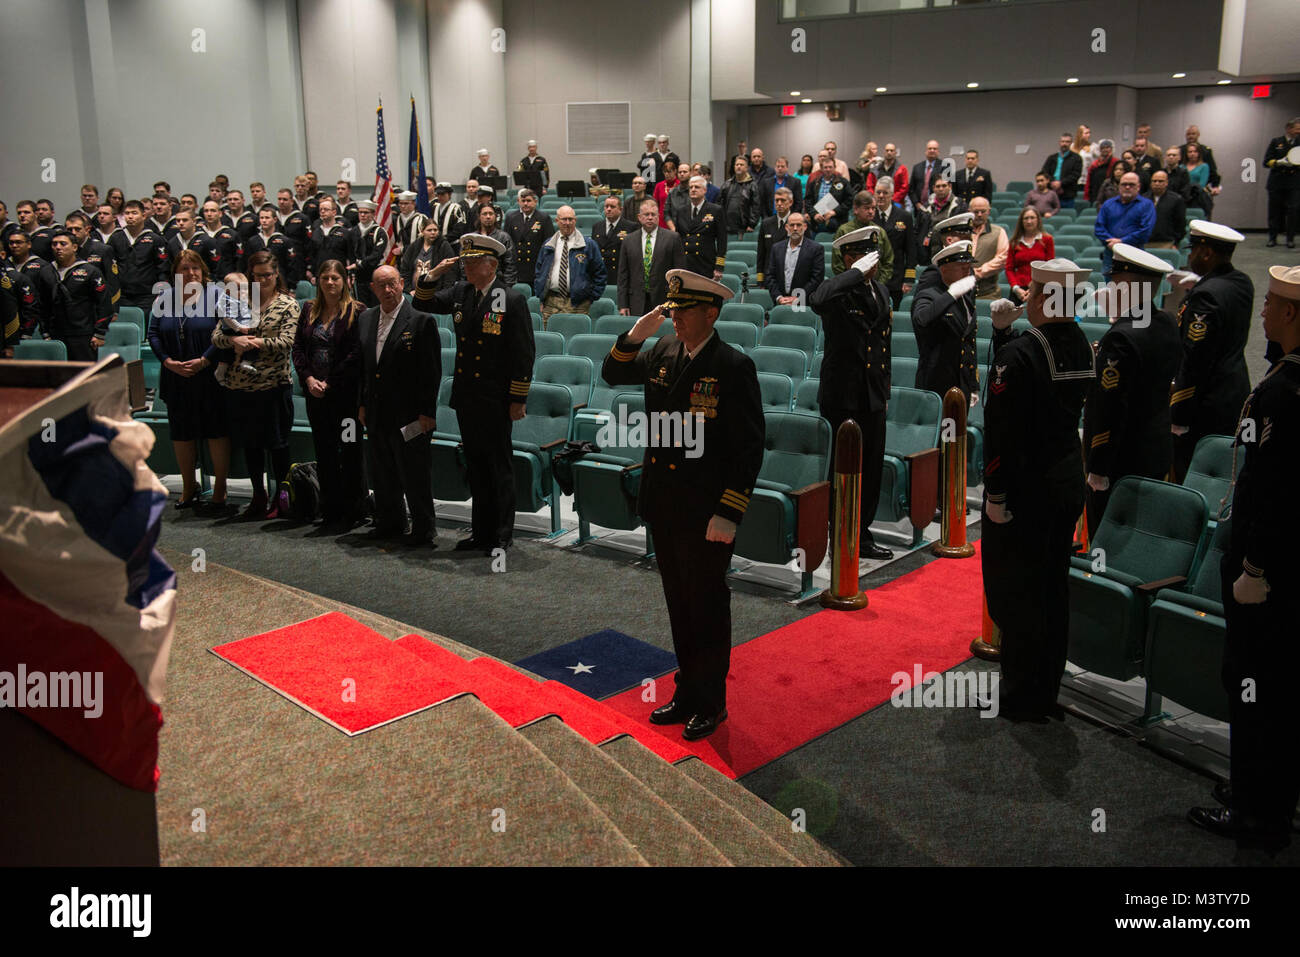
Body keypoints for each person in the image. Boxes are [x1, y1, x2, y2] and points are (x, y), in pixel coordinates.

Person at [602, 269, 764, 740]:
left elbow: (748, 448)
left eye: (683, 310)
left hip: (706, 509)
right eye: (671, 309)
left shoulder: (732, 365)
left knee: (707, 605)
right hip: (666, 502)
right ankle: (687, 689)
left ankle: (711, 701)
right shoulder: (663, 350)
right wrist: (635, 334)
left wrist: (728, 512)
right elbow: (613, 373)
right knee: (679, 603)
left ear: (710, 313)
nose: (673, 317)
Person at [1187, 264, 1300, 853]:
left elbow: (1275, 490)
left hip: (1270, 568)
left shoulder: (1286, 390)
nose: (1262, 315)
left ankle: (1259, 814)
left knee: (1257, 684)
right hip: (1281, 564)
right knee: (1271, 687)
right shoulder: (1289, 377)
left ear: (1292, 316)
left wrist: (1254, 567)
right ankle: (1264, 789)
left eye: (1272, 308)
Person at [981, 259, 1095, 721]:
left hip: (1026, 491)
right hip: (1065, 482)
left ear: (1049, 299)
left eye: (1031, 292)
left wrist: (996, 493)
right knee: (1052, 591)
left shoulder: (1024, 351)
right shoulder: (1082, 344)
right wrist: (1008, 337)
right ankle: (1044, 689)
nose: (1024, 297)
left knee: (1016, 592)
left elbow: (1002, 428)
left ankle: (1019, 696)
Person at [420, 235, 534, 552]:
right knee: (476, 466)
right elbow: (422, 302)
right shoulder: (461, 293)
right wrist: (432, 275)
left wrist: (518, 399)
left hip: (496, 399)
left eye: (472, 262)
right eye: (465, 262)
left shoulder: (510, 299)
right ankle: (481, 531)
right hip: (468, 395)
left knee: (498, 467)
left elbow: (523, 354)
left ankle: (501, 533)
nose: (466, 267)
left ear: (491, 265)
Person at [1080, 245, 1181, 537]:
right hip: (1156, 446)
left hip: (1121, 458)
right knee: (1143, 535)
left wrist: (1098, 466)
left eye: (1113, 281)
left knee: (1108, 538)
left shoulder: (1122, 338)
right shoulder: (1166, 321)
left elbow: (1110, 407)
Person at [810, 230, 893, 560]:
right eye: (864, 256)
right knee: (842, 469)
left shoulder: (881, 291)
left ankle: (863, 535)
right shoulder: (837, 293)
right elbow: (816, 299)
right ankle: (838, 535)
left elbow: (885, 344)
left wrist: (884, 388)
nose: (872, 261)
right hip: (842, 394)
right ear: (848, 259)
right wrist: (853, 274)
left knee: (870, 468)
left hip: (872, 393)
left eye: (873, 254)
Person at [354, 264, 441, 546]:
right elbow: (364, 369)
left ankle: (423, 528)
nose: (388, 290)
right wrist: (362, 404)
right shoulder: (366, 319)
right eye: (382, 285)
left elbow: (431, 372)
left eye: (392, 283)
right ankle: (390, 522)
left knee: (414, 473)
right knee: (382, 471)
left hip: (410, 414)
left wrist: (427, 413)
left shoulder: (420, 321)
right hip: (378, 411)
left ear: (402, 284)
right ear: (373, 289)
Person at [211, 250, 301, 519]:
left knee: (278, 446)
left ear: (276, 275)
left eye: (267, 275)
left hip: (272, 386)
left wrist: (255, 343)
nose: (262, 280)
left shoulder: (288, 305)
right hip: (239, 387)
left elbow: (287, 342)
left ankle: (282, 500)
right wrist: (233, 341)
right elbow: (217, 335)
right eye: (257, 275)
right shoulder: (239, 300)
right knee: (251, 446)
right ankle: (258, 497)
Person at [147, 249, 231, 510]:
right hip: (175, 375)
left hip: (209, 374)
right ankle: (188, 485)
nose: (190, 273)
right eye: (184, 268)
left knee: (215, 432)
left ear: (203, 270)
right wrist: (167, 361)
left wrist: (205, 359)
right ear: (175, 273)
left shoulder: (216, 295)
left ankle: (219, 489)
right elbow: (153, 334)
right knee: (181, 434)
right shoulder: (165, 298)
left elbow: (227, 330)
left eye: (195, 268)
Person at [1169, 221, 1254, 481]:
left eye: (1193, 250)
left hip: (1204, 404)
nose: (1189, 255)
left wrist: (1179, 413)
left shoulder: (1205, 297)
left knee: (1189, 475)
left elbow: (1195, 359)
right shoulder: (1241, 281)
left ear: (1206, 253)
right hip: (1235, 389)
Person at [291, 259, 365, 529]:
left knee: (350, 451)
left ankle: (354, 510)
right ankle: (330, 508)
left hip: (345, 398)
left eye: (335, 277)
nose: (330, 282)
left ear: (345, 280)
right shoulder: (309, 309)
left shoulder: (357, 310)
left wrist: (329, 383)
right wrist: (309, 379)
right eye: (325, 278)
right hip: (316, 397)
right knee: (324, 452)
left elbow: (355, 354)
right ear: (318, 281)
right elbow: (298, 348)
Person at [912, 240, 978, 404]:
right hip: (936, 382)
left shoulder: (966, 297)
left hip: (961, 382)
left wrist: (973, 384)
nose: (967, 270)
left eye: (968, 266)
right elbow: (921, 320)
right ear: (944, 269)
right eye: (961, 266)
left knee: (959, 429)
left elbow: (969, 342)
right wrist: (950, 295)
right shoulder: (929, 295)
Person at [48, 229, 113, 361]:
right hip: (55, 334)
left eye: (63, 244)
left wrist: (100, 333)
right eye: (54, 244)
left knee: (85, 377)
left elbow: (104, 303)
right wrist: (45, 332)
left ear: (75, 247)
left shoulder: (90, 271)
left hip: (83, 334)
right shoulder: (46, 271)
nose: (58, 247)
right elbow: (43, 304)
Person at [533, 206, 605, 321]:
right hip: (551, 302)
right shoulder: (548, 244)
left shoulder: (588, 245)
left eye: (571, 219)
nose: (567, 223)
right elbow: (539, 271)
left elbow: (600, 273)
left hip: (578, 304)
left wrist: (590, 298)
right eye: (564, 219)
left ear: (575, 220)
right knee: (551, 337)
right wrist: (542, 297)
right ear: (557, 221)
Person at [618, 198, 685, 316]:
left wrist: (675, 303)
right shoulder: (628, 240)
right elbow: (623, 275)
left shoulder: (673, 238)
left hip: (664, 301)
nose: (650, 217)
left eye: (653, 214)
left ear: (658, 217)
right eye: (646, 214)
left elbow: (678, 275)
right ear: (639, 217)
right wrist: (623, 304)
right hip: (636, 301)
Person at [1094, 172, 1155, 278]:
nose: (1127, 187)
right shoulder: (1108, 204)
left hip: (1135, 252)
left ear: (1138, 187)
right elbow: (1099, 228)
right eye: (1124, 184)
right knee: (1110, 288)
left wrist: (1122, 242)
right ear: (1119, 186)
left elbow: (1146, 230)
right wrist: (1112, 241)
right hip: (1111, 253)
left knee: (1134, 289)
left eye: (1131, 185)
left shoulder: (1147, 205)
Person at [873, 176, 917, 309]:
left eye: (885, 193)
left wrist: (909, 279)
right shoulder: (869, 215)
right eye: (878, 192)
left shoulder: (904, 216)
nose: (881, 196)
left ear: (892, 194)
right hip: (873, 277)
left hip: (896, 277)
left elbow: (911, 250)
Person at [831, 192, 893, 282]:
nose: (871, 212)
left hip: (875, 285)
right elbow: (837, 264)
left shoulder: (879, 231)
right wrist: (849, 282)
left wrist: (880, 284)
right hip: (850, 286)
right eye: (867, 208)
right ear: (856, 209)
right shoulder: (844, 231)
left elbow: (888, 262)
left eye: (873, 208)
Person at [764, 211, 822, 305]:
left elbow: (816, 279)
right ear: (787, 227)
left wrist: (797, 298)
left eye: (799, 225)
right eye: (792, 225)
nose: (795, 228)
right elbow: (770, 276)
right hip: (781, 302)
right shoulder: (776, 248)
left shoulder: (816, 249)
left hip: (804, 303)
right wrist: (778, 297)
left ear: (805, 227)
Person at [502, 188, 554, 288]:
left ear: (535, 201)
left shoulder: (543, 218)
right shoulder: (511, 217)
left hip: (535, 265)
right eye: (523, 201)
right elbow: (507, 241)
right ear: (518, 202)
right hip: (516, 266)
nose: (526, 204)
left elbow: (548, 243)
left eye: (529, 201)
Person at [678, 176, 727, 279]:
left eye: (697, 187)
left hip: (705, 263)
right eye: (691, 187)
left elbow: (722, 240)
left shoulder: (715, 210)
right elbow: (678, 239)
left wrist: (719, 267)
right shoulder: (681, 211)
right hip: (686, 263)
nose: (693, 189)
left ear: (705, 190)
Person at [1004, 207, 1055, 304]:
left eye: (1032, 218)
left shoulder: (1047, 239)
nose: (1029, 221)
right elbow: (1009, 268)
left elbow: (1050, 266)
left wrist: (1035, 285)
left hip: (1041, 288)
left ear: (1038, 220)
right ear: (1021, 221)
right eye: (1026, 218)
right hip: (1019, 291)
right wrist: (1015, 288)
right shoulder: (1014, 242)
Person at [1263, 118, 1300, 249]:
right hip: (1277, 181)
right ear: (1289, 128)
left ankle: (1290, 239)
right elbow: (1266, 161)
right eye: (1297, 129)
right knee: (1274, 211)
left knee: (1293, 211)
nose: (1298, 132)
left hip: (1294, 183)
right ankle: (1272, 238)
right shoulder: (1276, 142)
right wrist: (1279, 162)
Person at [307, 197, 358, 283]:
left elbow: (351, 256)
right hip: (321, 275)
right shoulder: (316, 232)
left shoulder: (344, 232)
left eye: (326, 209)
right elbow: (312, 255)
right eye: (321, 210)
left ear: (334, 212)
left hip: (339, 275)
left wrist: (350, 275)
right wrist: (313, 273)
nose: (322, 212)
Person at [404, 219, 455, 301]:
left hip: (435, 294)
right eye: (429, 230)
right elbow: (405, 269)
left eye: (435, 230)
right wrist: (409, 289)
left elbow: (450, 273)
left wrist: (443, 294)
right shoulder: (414, 246)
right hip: (413, 293)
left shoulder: (444, 246)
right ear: (422, 231)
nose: (433, 232)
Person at [465, 204, 516, 286]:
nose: (488, 217)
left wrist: (508, 286)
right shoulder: (472, 238)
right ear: (479, 217)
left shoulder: (504, 237)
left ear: (495, 217)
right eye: (484, 214)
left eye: (491, 214)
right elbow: (464, 264)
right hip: (475, 283)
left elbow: (510, 265)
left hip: (497, 283)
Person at [968, 198, 1009, 300]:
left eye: (983, 211)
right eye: (976, 211)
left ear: (989, 211)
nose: (980, 214)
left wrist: (978, 273)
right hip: (962, 293)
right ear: (969, 212)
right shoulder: (960, 232)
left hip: (988, 293)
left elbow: (1003, 258)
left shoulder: (998, 232)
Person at [806, 153, 853, 237]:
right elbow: (808, 201)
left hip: (837, 221)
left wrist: (834, 212)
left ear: (834, 168)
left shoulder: (843, 182)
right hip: (817, 222)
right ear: (821, 168)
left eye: (830, 167)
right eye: (825, 167)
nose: (828, 169)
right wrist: (814, 214)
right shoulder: (815, 183)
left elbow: (849, 201)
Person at [755, 188, 793, 287]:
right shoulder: (766, 223)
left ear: (790, 202)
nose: (779, 203)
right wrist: (760, 280)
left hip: (790, 276)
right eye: (777, 200)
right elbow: (761, 254)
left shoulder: (797, 223)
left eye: (783, 200)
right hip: (770, 276)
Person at [354, 200, 389, 308]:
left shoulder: (379, 232)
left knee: (375, 306)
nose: (363, 215)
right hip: (359, 276)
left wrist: (360, 263)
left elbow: (377, 254)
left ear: (373, 214)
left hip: (374, 274)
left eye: (366, 212)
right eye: (360, 212)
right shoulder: (354, 231)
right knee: (360, 306)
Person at [591, 195, 635, 280]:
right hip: (601, 273)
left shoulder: (630, 227)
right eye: (606, 206)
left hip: (620, 273)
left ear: (621, 210)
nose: (608, 209)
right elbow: (594, 251)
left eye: (612, 207)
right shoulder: (597, 226)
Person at [198, 200, 242, 281]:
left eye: (213, 210)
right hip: (203, 280)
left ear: (220, 213)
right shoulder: (198, 235)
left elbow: (238, 260)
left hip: (226, 280)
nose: (209, 214)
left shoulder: (232, 234)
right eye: (206, 211)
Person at [720, 156, 760, 239]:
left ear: (746, 168)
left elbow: (756, 207)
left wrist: (752, 224)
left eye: (741, 165)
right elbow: (719, 203)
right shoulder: (727, 184)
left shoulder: (752, 185)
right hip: (726, 226)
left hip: (744, 228)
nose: (738, 166)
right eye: (737, 164)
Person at [1179, 126, 1221, 205]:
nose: (1191, 136)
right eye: (1188, 134)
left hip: (1199, 193)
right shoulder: (1180, 150)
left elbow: (1213, 171)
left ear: (1198, 135)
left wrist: (1215, 185)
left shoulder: (1205, 151)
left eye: (1193, 134)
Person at [1040, 132, 1083, 208]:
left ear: (1071, 143)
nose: (1064, 144)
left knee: (1067, 216)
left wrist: (1061, 183)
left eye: (1067, 142)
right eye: (1063, 141)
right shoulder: (1051, 158)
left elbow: (1076, 175)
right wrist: (1052, 182)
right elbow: (1044, 172)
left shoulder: (1076, 158)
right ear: (1059, 143)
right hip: (1051, 193)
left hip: (1068, 195)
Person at [1146, 170, 1187, 249]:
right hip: (1145, 242)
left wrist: (1176, 242)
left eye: (1160, 181)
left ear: (1166, 183)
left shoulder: (1176, 200)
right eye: (1154, 181)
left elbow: (1180, 225)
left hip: (1166, 243)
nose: (1157, 183)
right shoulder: (1143, 199)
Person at [866, 143, 909, 208]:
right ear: (884, 152)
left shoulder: (902, 169)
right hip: (877, 203)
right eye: (887, 150)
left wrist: (891, 200)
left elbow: (904, 188)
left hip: (896, 203)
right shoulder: (875, 169)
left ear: (895, 153)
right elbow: (869, 186)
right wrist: (876, 198)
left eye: (891, 150)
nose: (889, 152)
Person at [392, 191, 427, 263]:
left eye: (406, 203)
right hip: (402, 259)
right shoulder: (396, 219)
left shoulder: (422, 219)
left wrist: (403, 249)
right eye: (400, 203)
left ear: (414, 204)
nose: (402, 206)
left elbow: (424, 242)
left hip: (418, 258)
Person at [909, 140, 943, 208]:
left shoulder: (945, 166)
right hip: (919, 207)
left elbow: (948, 188)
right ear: (926, 151)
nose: (932, 150)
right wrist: (916, 203)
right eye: (930, 148)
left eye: (934, 149)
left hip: (938, 206)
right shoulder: (917, 167)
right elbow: (911, 189)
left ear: (938, 151)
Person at [1084, 139, 1119, 204]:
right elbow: (1089, 181)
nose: (1105, 149)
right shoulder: (1094, 165)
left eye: (1107, 147)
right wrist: (1087, 196)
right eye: (1103, 148)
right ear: (1100, 150)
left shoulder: (1116, 163)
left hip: (1111, 195)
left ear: (1111, 149)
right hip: (1096, 195)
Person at [1184, 142, 1214, 216]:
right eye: (1190, 152)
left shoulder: (1204, 166)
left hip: (1198, 198)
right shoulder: (1182, 167)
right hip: (1184, 198)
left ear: (1199, 153)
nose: (1192, 154)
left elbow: (1202, 184)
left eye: (1195, 151)